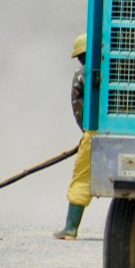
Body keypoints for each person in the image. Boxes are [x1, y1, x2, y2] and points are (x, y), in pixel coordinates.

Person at [54, 34, 94, 240]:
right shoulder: (115, 69)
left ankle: (70, 228)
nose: (80, 60)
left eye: (80, 56)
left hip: (95, 134)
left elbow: (79, 109)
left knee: (81, 178)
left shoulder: (82, 75)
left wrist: (87, 133)